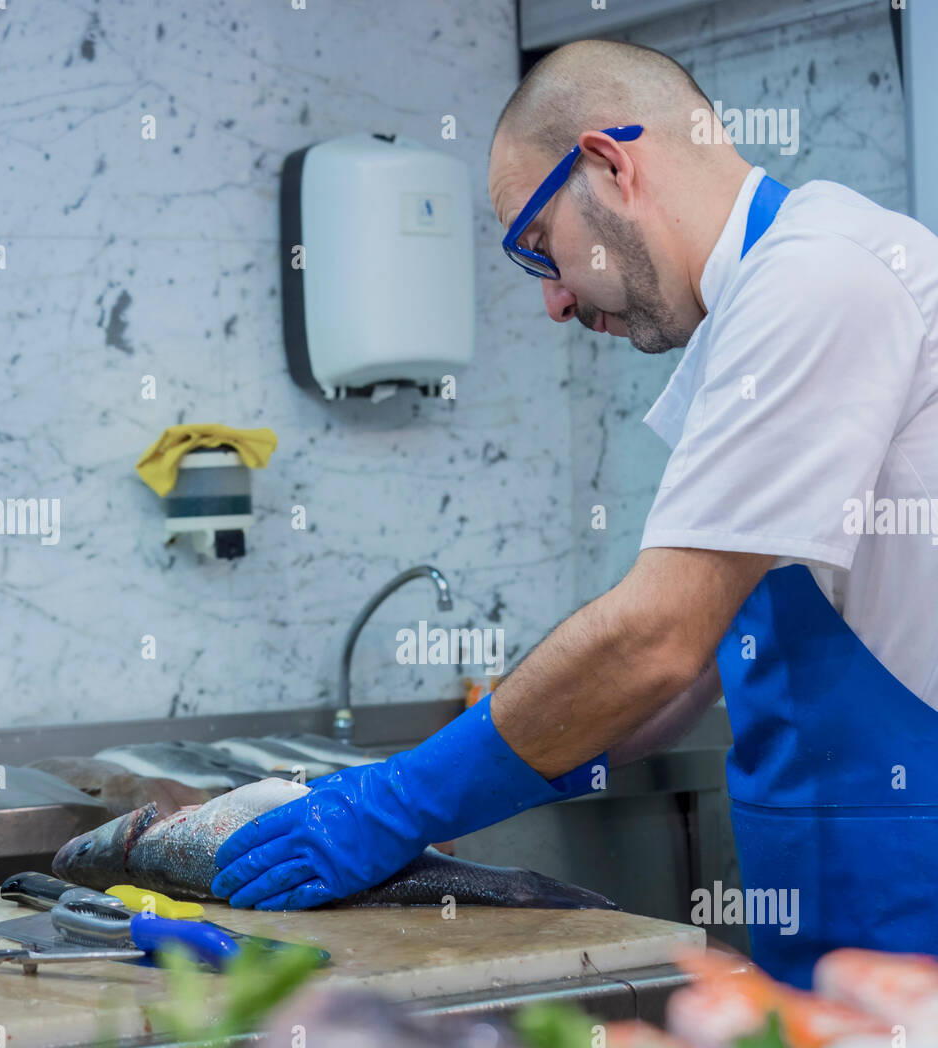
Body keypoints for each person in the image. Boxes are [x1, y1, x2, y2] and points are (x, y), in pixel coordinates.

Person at [213, 39, 938, 988]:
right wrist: (525, 749)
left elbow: (659, 637)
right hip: (841, 896)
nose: (553, 301)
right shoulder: (750, 317)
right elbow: (686, 667)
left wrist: (395, 802)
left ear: (609, 164)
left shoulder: (820, 279)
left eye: (537, 248)